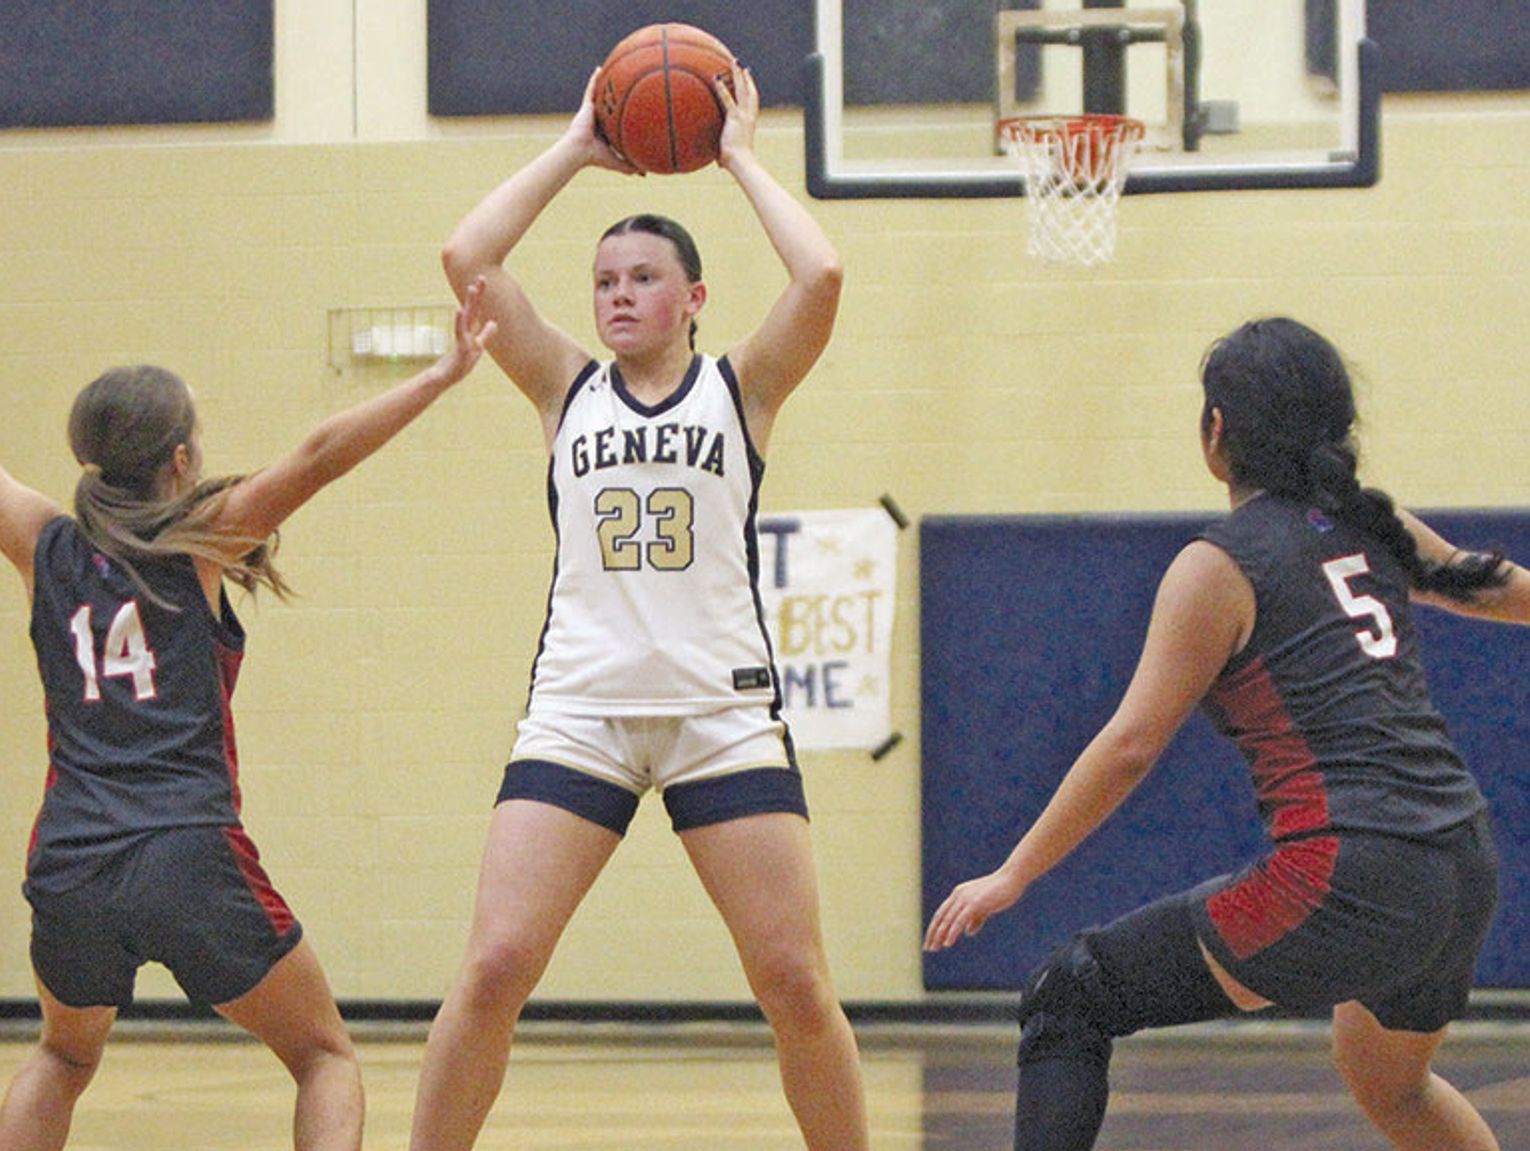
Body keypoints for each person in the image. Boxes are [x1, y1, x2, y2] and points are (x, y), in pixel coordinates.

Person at [924, 317, 1529, 1151]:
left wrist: (1012, 872)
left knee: (1069, 994)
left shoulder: (1217, 565)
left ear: (1216, 432)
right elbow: (1492, 586)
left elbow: (1131, 745)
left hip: (1348, 871)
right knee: (1393, 1083)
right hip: (1461, 862)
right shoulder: (1373, 525)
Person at [411, 62, 867, 1151]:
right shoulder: (561, 384)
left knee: (795, 980)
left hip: (721, 714)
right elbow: (468, 257)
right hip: (581, 709)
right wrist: (576, 147)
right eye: (605, 279)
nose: (617, 293)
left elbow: (821, 273)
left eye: (644, 277)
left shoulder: (742, 388)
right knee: (494, 965)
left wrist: (739, 157)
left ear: (694, 299)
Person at [0, 283, 496, 1151]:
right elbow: (320, 455)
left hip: (70, 857)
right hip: (186, 849)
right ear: (181, 460)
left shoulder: (44, 544)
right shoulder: (200, 541)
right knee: (323, 1054)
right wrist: (440, 374)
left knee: (63, 1054)